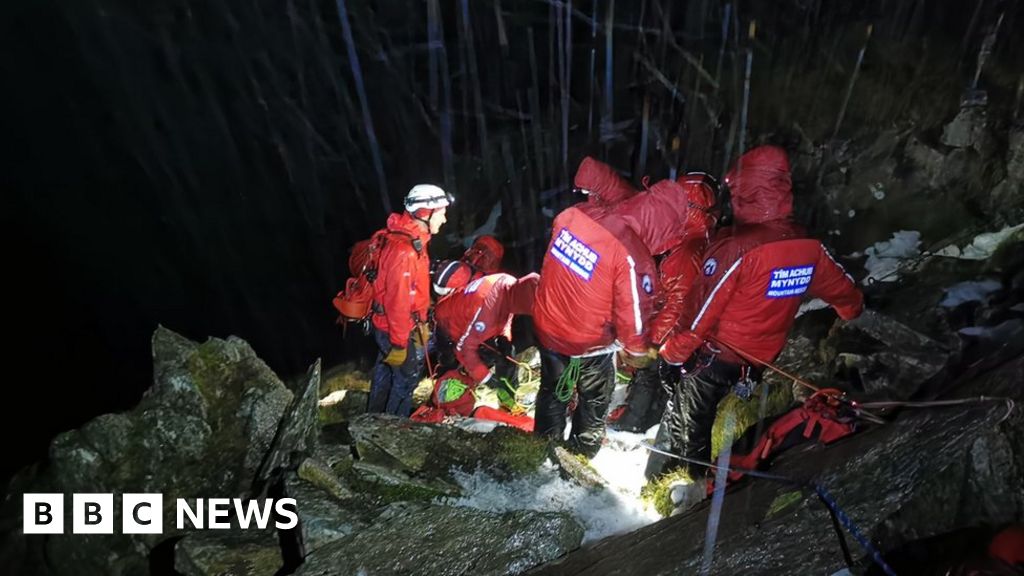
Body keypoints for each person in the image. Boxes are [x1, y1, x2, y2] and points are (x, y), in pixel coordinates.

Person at [655, 145, 864, 478]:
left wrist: (672, 353)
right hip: (759, 360)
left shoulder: (736, 247)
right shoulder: (807, 245)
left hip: (717, 356)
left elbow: (700, 314)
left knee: (695, 419)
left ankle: (689, 484)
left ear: (744, 191)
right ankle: (709, 474)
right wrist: (849, 311)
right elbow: (848, 296)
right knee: (719, 413)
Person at [532, 159, 695, 457]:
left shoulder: (573, 215)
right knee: (594, 397)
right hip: (586, 343)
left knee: (552, 391)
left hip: (547, 326)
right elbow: (631, 317)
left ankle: (541, 450)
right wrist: (637, 351)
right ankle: (580, 455)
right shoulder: (633, 256)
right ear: (663, 226)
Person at [609, 172, 719, 433]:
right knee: (658, 377)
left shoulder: (689, 250)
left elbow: (678, 304)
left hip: (675, 334)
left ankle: (633, 424)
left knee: (650, 373)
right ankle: (645, 417)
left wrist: (652, 341)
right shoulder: (695, 240)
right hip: (686, 332)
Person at [367, 184, 452, 416]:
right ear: (425, 213)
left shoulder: (409, 239)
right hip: (396, 329)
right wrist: (399, 343)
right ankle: (393, 430)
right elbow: (398, 303)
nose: (444, 219)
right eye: (442, 212)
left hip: (385, 324)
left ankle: (373, 417)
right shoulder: (404, 251)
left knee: (384, 371)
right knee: (405, 381)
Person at [431, 260, 539, 412]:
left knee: (507, 357)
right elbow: (464, 349)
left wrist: (504, 337)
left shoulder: (509, 282)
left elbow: (506, 314)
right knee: (453, 375)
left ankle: (507, 400)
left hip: (472, 323)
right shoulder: (487, 308)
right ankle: (438, 410)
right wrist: (486, 378)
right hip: (449, 328)